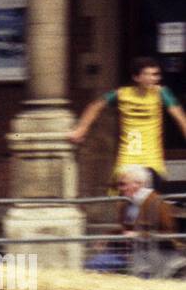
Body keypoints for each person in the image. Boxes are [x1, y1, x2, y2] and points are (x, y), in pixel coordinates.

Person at [70, 57, 186, 191]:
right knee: (125, 195)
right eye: (148, 75)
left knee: (149, 200)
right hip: (129, 155)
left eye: (156, 75)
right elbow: (96, 105)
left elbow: (179, 117)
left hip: (151, 158)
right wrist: (81, 129)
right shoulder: (122, 94)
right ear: (136, 77)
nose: (153, 79)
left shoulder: (161, 93)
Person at [85, 165, 181, 275]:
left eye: (122, 184)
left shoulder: (157, 203)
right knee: (93, 265)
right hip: (129, 253)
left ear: (138, 184)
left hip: (153, 254)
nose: (119, 188)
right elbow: (126, 230)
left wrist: (139, 235)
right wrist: (106, 237)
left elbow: (168, 233)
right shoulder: (125, 203)